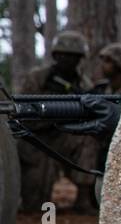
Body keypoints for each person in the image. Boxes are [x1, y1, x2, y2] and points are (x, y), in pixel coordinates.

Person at [16, 30, 92, 212]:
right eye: (64, 55)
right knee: (34, 207)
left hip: (65, 136)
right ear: (55, 55)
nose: (68, 60)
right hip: (36, 140)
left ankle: (84, 199)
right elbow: (23, 115)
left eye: (74, 57)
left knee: (88, 141)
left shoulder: (84, 86)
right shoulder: (36, 79)